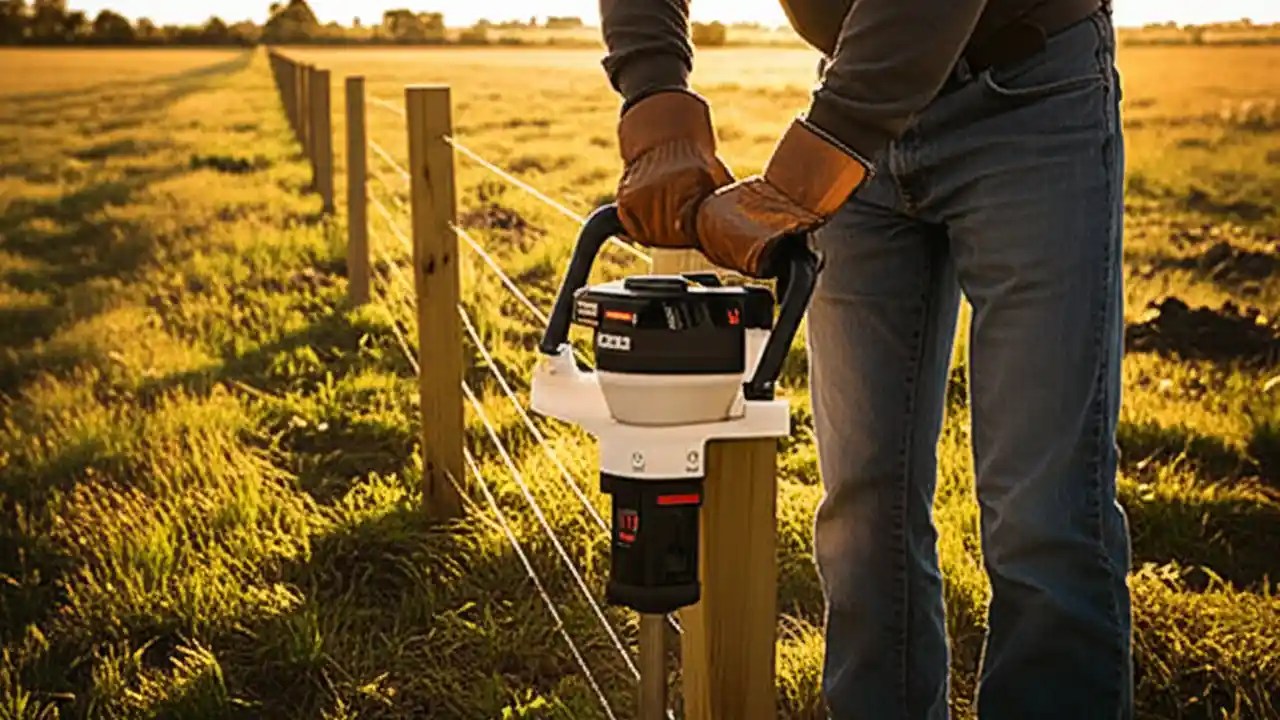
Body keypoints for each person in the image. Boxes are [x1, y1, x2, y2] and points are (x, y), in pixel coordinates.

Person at [598, 0, 1132, 718]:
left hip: (1027, 96)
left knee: (1043, 515)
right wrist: (654, 92)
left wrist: (821, 157)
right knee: (861, 514)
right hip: (854, 97)